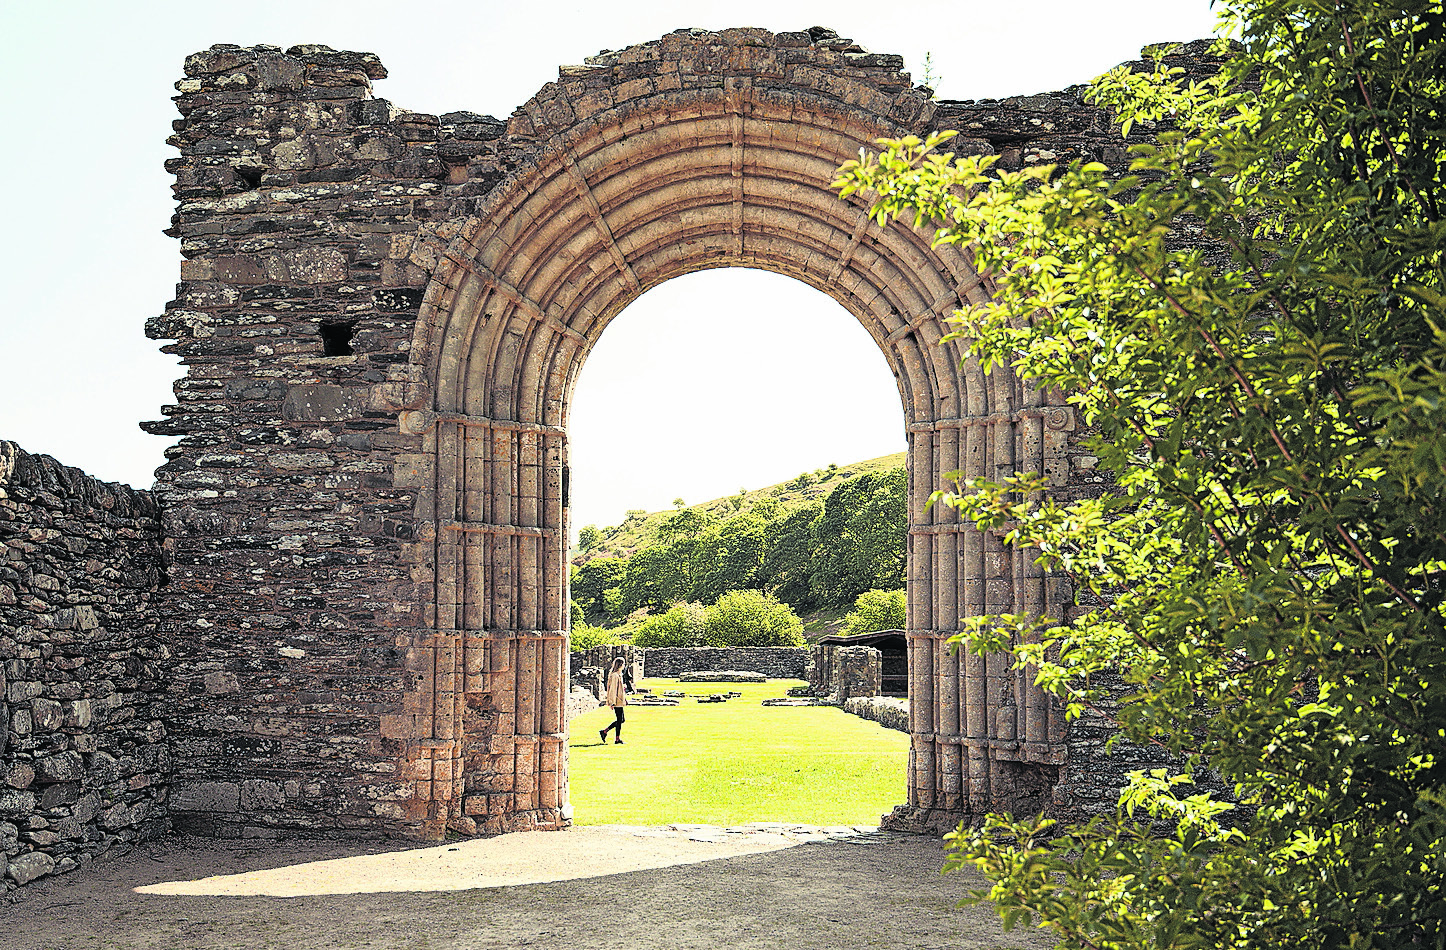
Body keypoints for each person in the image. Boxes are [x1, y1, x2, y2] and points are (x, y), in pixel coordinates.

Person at [598, 655, 632, 745]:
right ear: (621, 664)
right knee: (620, 719)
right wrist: (612, 702)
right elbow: (613, 689)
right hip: (616, 701)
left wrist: (624, 700)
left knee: (621, 719)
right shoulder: (615, 675)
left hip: (619, 700)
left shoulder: (618, 675)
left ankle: (606, 732)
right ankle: (615, 737)